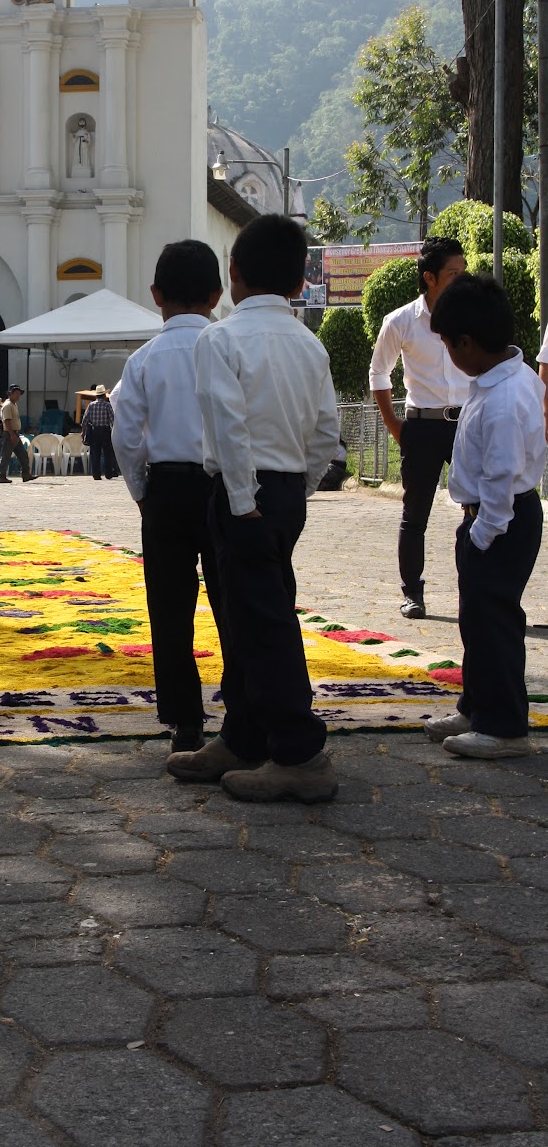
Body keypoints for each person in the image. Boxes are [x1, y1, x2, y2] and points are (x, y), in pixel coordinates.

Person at [171, 214, 339, 802]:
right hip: (288, 490)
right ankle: (242, 736)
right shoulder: (310, 344)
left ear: (234, 274)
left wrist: (243, 501)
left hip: (244, 494)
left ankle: (299, 752)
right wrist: (302, 488)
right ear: (299, 283)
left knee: (264, 625)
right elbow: (326, 433)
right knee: (252, 616)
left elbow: (229, 426)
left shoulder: (220, 339)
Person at [425, 275, 546, 759]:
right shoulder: (503, 380)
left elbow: (501, 475)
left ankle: (505, 726)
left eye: (449, 346)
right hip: (492, 519)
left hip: (502, 521)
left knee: (493, 620)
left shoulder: (504, 398)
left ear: (467, 344)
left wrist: (482, 534)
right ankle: (476, 707)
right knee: (476, 618)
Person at [112, 240, 225, 755]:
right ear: (216, 294)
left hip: (167, 488)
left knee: (170, 607)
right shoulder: (229, 347)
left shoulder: (143, 359)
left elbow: (125, 433)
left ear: (156, 295)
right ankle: (244, 704)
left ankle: (185, 719)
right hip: (224, 486)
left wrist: (140, 490)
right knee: (233, 601)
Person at [368, 235, 468, 619]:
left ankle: (473, 591)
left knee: (476, 510)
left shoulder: (470, 316)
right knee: (415, 515)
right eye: (452, 273)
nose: (460, 278)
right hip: (422, 427)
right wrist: (394, 424)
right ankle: (412, 593)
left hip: (466, 425)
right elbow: (379, 371)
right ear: (430, 277)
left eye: (463, 271)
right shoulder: (400, 322)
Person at [0, 384, 32, 484]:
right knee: (6, 455)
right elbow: (6, 421)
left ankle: (26, 474)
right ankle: (1, 476)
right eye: (16, 393)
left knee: (23, 454)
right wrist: (12, 435)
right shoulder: (7, 405)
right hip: (9, 433)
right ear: (10, 394)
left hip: (15, 433)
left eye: (19, 394)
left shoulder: (14, 404)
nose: (18, 396)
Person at [81, 385, 118, 479]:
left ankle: (96, 475)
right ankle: (108, 473)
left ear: (97, 395)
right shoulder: (107, 405)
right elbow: (112, 420)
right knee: (107, 453)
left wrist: (83, 432)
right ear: (104, 395)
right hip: (105, 431)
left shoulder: (91, 405)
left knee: (95, 454)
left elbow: (85, 420)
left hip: (94, 431)